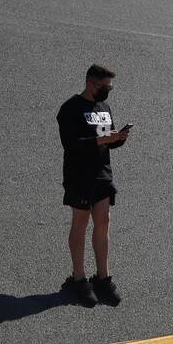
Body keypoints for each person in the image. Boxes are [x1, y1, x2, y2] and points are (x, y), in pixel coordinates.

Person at [56, 64, 132, 306]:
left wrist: (118, 139)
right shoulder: (70, 108)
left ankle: (102, 277)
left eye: (110, 87)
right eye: (105, 87)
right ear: (90, 83)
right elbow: (71, 143)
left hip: (102, 174)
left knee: (104, 221)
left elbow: (105, 142)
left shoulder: (104, 107)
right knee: (81, 222)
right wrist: (103, 139)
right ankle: (78, 278)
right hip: (79, 175)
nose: (108, 91)